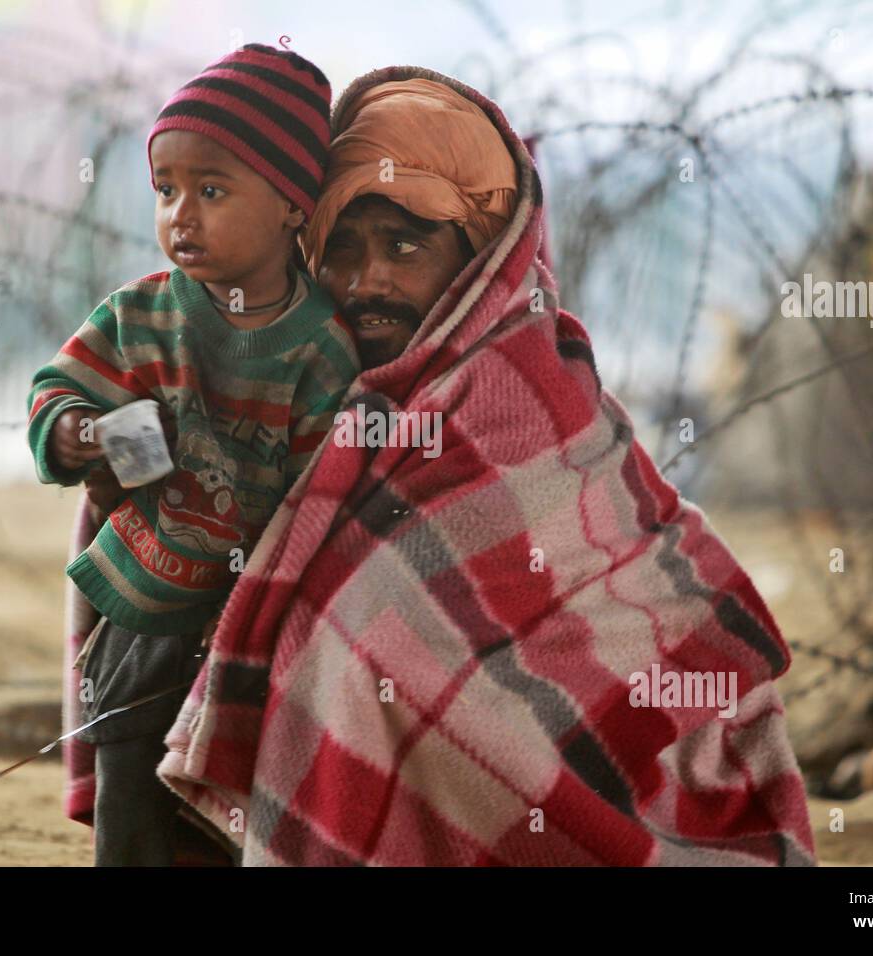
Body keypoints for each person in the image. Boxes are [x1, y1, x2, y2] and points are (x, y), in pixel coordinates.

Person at [151, 67, 817, 866]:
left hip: (637, 795)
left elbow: (393, 634)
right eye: (341, 251)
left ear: (482, 256)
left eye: (406, 245)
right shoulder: (327, 390)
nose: (369, 282)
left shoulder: (524, 391)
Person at [28, 43, 358, 865]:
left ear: (292, 204)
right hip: (145, 610)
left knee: (225, 804)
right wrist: (72, 430)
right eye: (166, 190)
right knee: (131, 790)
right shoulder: (140, 316)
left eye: (212, 190)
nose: (182, 214)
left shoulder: (319, 351)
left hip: (257, 628)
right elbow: (57, 387)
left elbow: (328, 496)